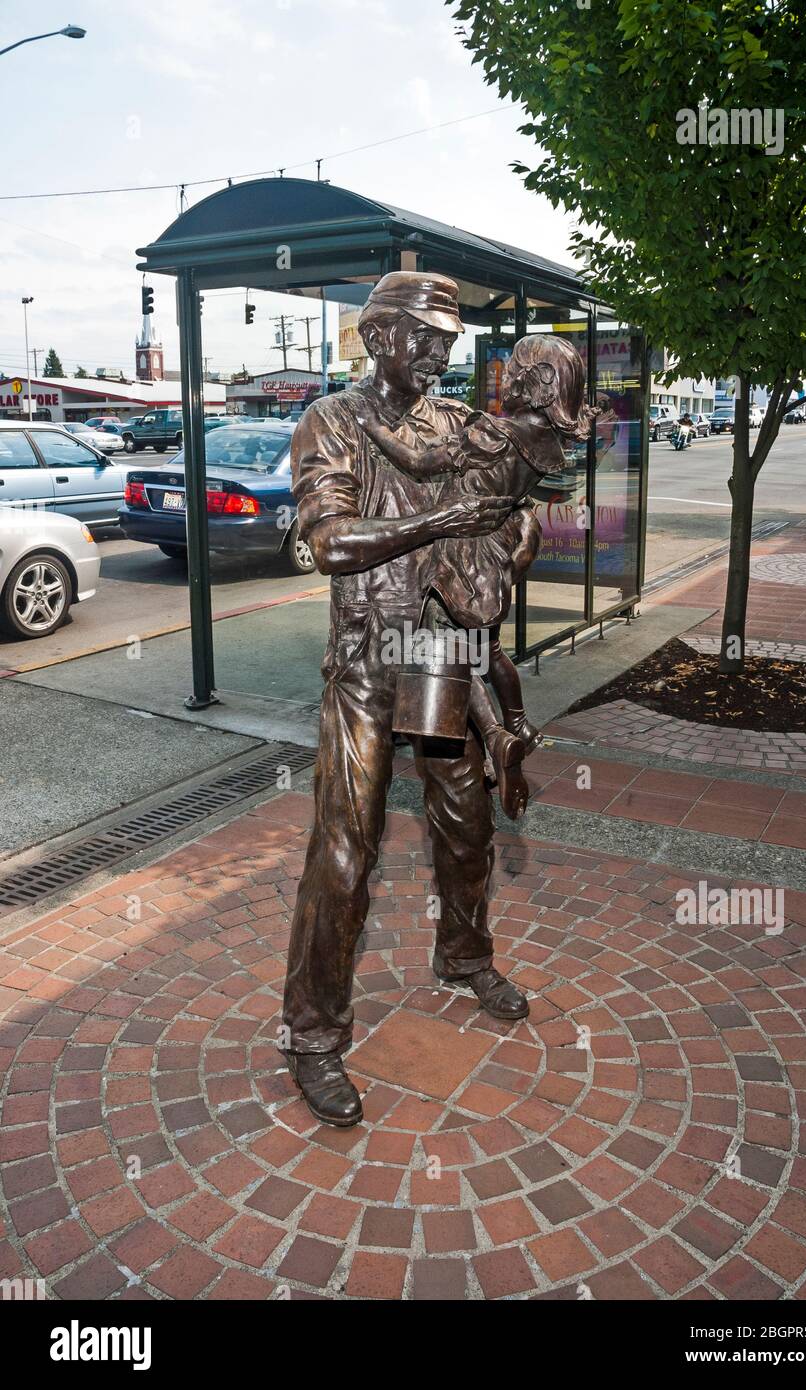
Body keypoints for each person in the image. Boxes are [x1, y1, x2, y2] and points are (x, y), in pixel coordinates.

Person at [280, 271, 539, 1127]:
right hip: (365, 662)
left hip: (443, 651)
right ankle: (314, 1033)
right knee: (345, 849)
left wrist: (511, 531)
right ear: (377, 335)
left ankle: (464, 956)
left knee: (468, 825)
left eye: (448, 340)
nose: (438, 353)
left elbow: (516, 506)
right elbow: (329, 544)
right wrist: (437, 526)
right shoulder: (332, 423)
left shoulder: (457, 425)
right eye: (423, 337)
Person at [354, 334, 595, 820]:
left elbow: (419, 461)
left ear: (538, 384)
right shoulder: (547, 444)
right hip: (491, 560)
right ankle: (517, 723)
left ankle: (494, 735)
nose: (503, 378)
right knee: (487, 650)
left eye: (513, 370)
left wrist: (373, 426)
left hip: (458, 553)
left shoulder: (494, 433)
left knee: (444, 644)